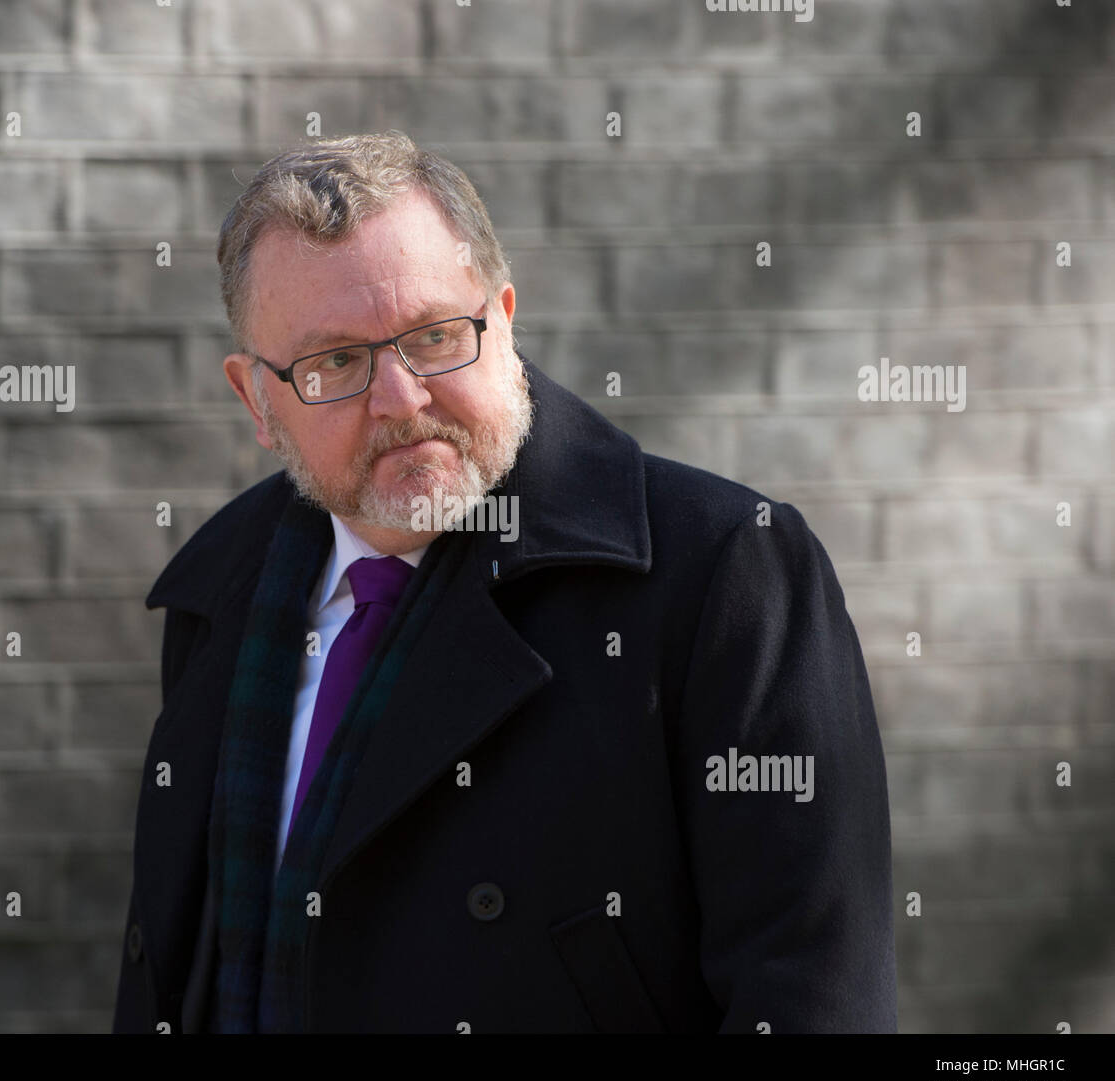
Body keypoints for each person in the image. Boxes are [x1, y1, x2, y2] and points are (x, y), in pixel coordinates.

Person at [111, 130, 897, 1034]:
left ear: (506, 321)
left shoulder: (725, 574)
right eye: (336, 363)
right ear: (256, 400)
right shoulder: (221, 598)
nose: (401, 398)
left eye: (436, 336)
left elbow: (810, 994)